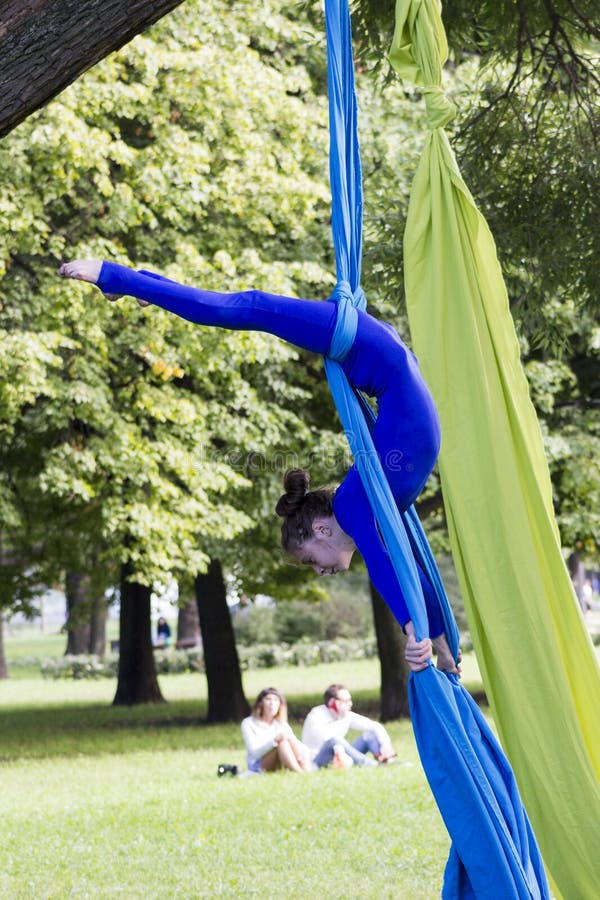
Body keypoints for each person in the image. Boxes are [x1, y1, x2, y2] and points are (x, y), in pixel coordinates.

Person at [58, 259, 459, 673]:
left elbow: (397, 567)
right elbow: (395, 566)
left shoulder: (358, 507)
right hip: (368, 345)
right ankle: (131, 281)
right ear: (321, 530)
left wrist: (426, 637)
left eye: (309, 563)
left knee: (244, 307)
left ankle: (129, 280)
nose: (318, 571)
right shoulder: (362, 510)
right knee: (239, 307)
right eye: (311, 563)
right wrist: (427, 637)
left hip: (359, 339)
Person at [302, 684, 396, 768]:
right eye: (346, 701)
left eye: (350, 700)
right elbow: (326, 739)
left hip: (340, 753)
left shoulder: (345, 715)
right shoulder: (316, 715)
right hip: (318, 758)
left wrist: (385, 743)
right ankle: (370, 765)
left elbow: (374, 725)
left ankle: (388, 760)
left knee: (369, 735)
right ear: (333, 702)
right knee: (334, 741)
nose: (350, 704)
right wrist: (342, 719)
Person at [241, 687, 311, 773]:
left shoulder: (280, 723)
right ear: (260, 703)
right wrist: (274, 741)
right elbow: (254, 753)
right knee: (281, 742)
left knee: (289, 740)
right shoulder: (248, 723)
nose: (272, 703)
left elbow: (298, 745)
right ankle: (299, 772)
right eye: (268, 699)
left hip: (278, 761)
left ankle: (305, 769)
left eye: (275, 700)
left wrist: (301, 753)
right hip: (258, 764)